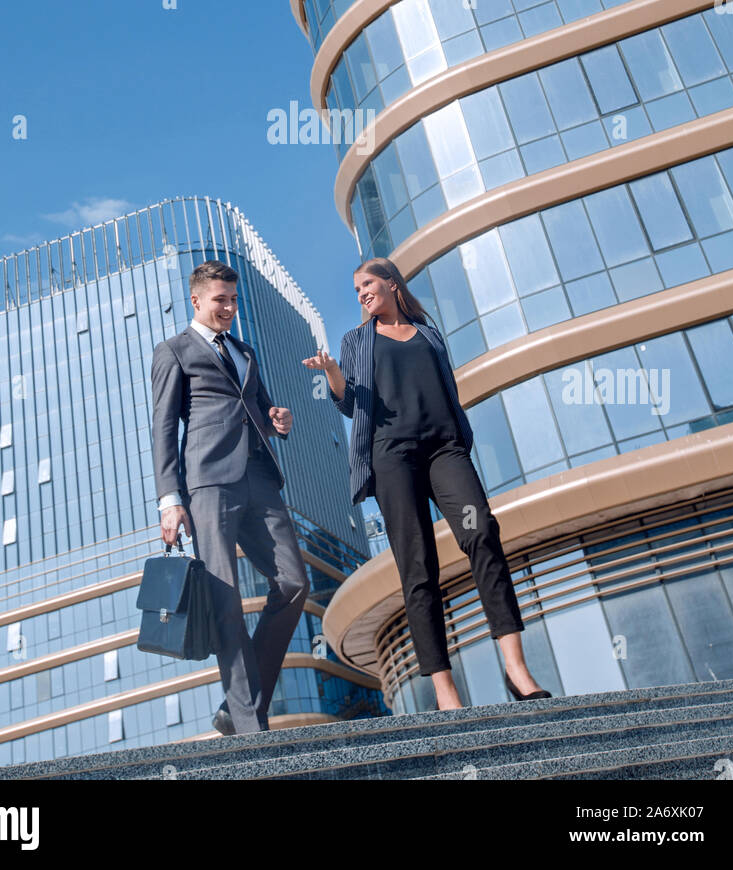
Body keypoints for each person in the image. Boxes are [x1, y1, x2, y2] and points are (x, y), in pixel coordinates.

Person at [303, 256, 550, 708]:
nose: (361, 293)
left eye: (367, 284)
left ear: (392, 284)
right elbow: (349, 403)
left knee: (482, 534)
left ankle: (517, 670)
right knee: (417, 569)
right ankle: (445, 690)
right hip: (393, 458)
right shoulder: (356, 340)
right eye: (356, 289)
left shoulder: (429, 333)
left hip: (444, 451)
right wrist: (332, 372)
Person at [152, 259, 309, 735]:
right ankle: (247, 721)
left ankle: (236, 706)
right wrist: (169, 498)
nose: (229, 308)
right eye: (221, 300)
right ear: (197, 300)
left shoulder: (244, 350)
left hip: (259, 477)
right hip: (207, 483)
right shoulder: (174, 351)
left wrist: (275, 419)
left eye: (234, 300)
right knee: (226, 597)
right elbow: (162, 426)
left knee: (294, 583)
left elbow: (258, 409)